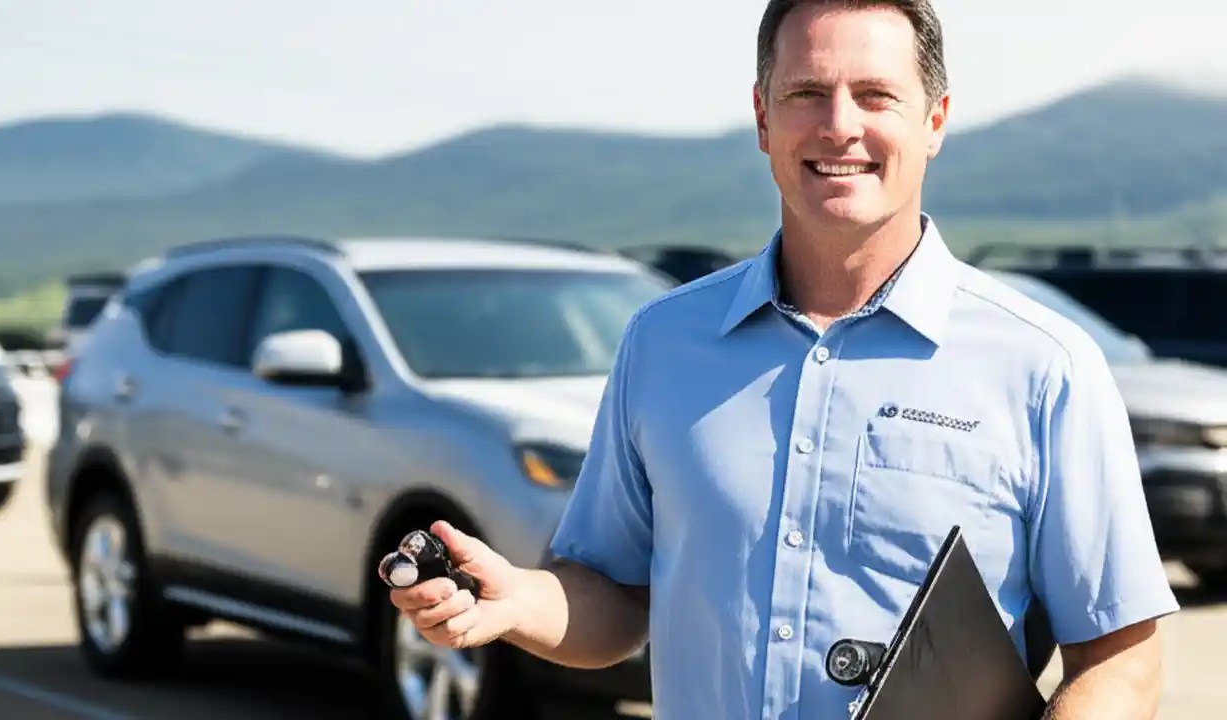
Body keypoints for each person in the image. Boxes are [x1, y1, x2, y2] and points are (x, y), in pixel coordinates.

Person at [389, 1, 1179, 717]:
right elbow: (614, 600)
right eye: (806, 93)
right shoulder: (661, 345)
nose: (839, 126)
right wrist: (521, 600)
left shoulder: (1046, 368)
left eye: (876, 95)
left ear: (934, 121)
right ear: (764, 119)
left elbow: (1122, 658)